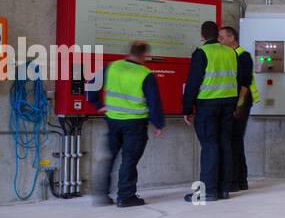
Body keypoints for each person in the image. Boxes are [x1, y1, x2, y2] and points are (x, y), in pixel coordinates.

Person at [87, 42, 164, 207]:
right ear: (144, 56)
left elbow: (90, 86)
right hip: (135, 123)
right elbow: (154, 101)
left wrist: (99, 105)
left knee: (110, 157)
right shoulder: (145, 74)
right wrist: (158, 123)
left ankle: (102, 195)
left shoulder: (112, 67)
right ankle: (126, 196)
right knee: (129, 159)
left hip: (113, 120)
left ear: (129, 52)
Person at [181, 20, 239, 202]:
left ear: (202, 35)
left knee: (209, 146)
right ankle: (223, 189)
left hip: (208, 105)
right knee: (225, 144)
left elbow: (193, 83)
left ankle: (207, 191)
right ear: (218, 34)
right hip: (228, 104)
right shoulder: (231, 52)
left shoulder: (201, 53)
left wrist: (187, 108)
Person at [218, 25, 256, 191]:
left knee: (234, 141)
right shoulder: (227, 55)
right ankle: (239, 180)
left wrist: (237, 107)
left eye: (222, 37)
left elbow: (244, 85)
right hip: (232, 103)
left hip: (241, 104)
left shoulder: (243, 56)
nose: (220, 40)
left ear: (232, 38)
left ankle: (236, 180)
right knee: (234, 141)